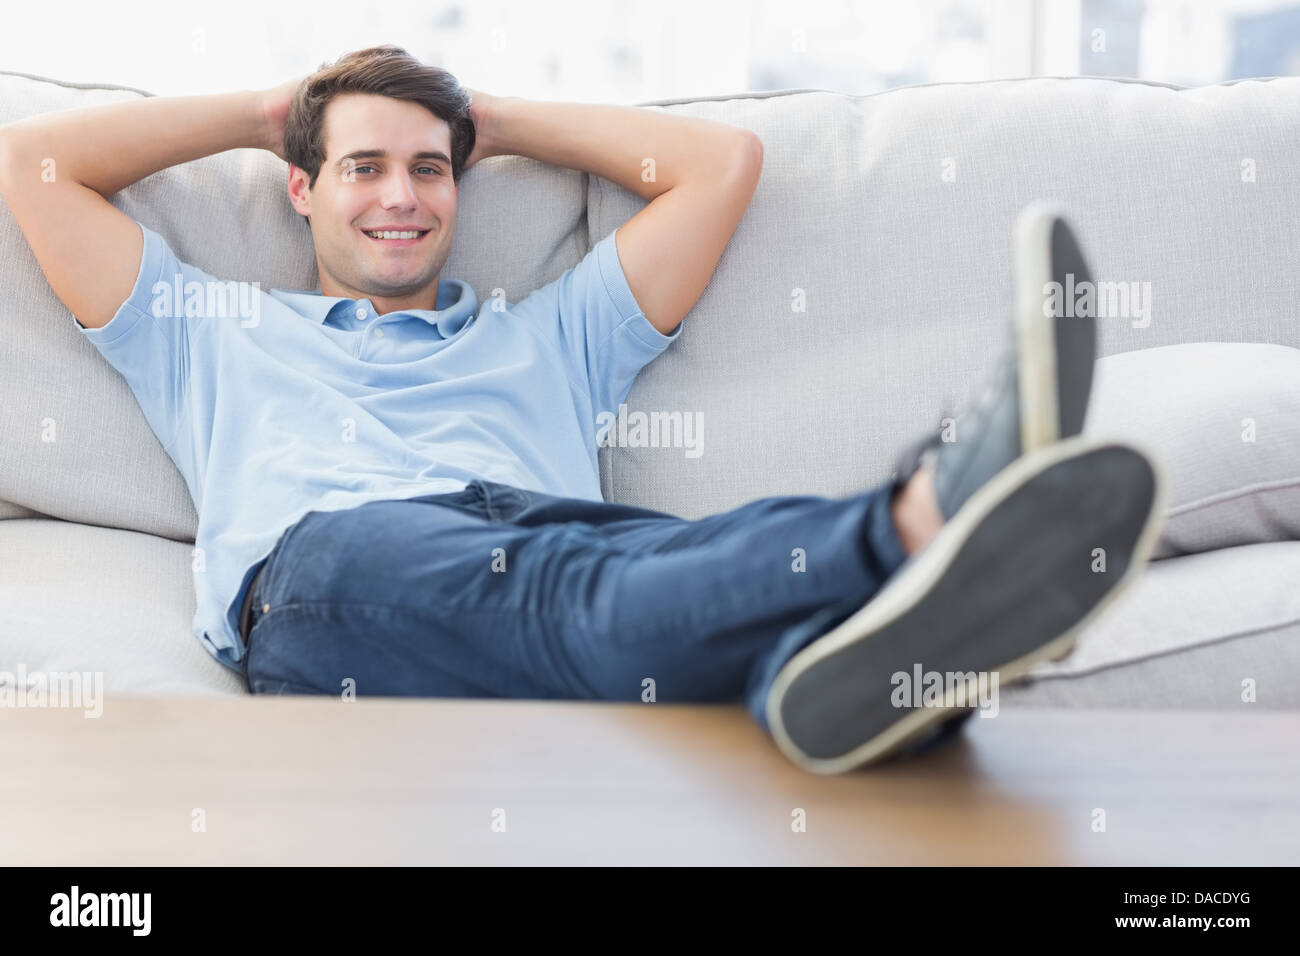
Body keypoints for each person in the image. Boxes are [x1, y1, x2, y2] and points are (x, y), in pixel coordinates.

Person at [0, 45, 1159, 775]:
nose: (402, 194)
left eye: (432, 166)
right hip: (334, 569)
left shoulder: (547, 333)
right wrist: (271, 109)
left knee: (696, 558)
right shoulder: (210, 329)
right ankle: (930, 515)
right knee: (574, 595)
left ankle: (870, 680)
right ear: (300, 189)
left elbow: (722, 161)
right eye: (362, 167)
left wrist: (491, 115)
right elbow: (31, 161)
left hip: (557, 543)